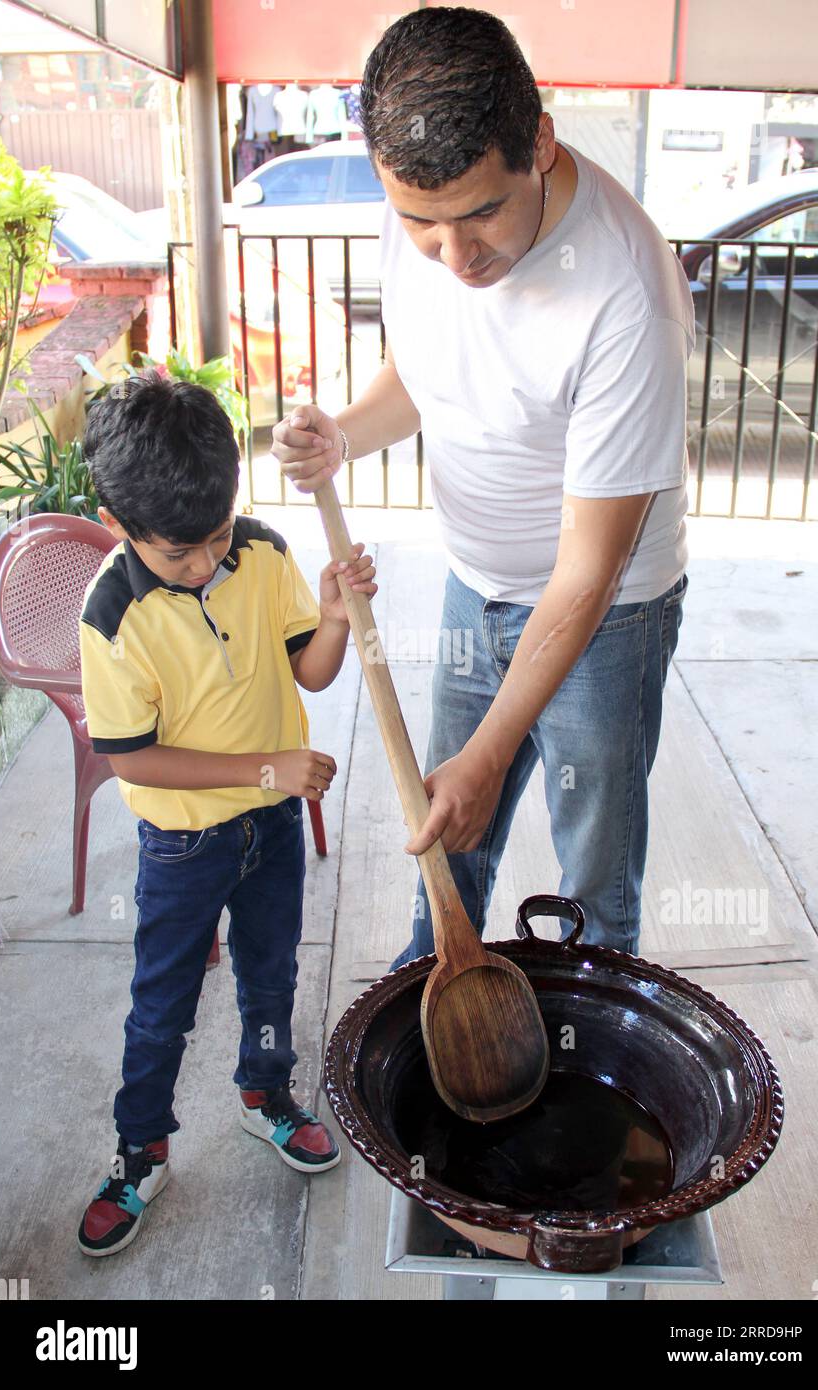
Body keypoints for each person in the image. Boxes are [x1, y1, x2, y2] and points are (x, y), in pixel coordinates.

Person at [270, 7, 694, 967]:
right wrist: (342, 435)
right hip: (475, 583)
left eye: (479, 217)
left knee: (591, 868)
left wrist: (496, 747)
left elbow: (588, 575)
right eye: (421, 222)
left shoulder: (626, 289)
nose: (455, 259)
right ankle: (439, 991)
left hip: (609, 614)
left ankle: (599, 1022)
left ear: (538, 143)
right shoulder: (417, 214)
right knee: (447, 826)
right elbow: (420, 374)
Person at [76, 371, 376, 1257]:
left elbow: (312, 671)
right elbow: (130, 755)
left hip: (272, 827)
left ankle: (266, 1093)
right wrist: (264, 767)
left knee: (271, 972)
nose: (207, 563)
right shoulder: (112, 614)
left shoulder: (262, 551)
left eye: (216, 537)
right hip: (183, 843)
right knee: (161, 1003)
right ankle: (140, 1150)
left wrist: (331, 616)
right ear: (118, 524)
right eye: (180, 553)